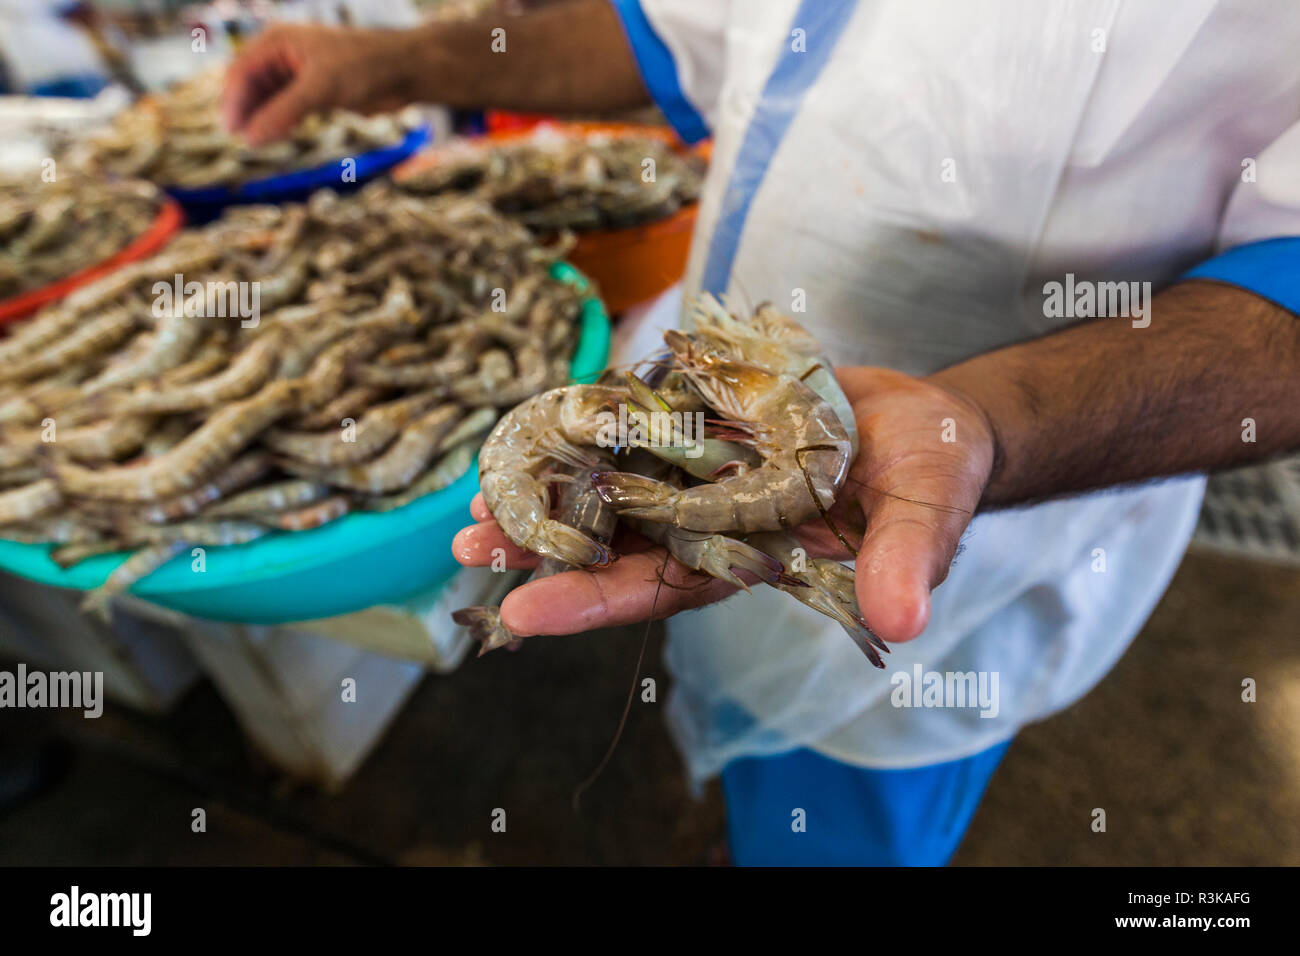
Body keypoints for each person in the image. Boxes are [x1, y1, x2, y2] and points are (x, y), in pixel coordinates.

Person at [224, 0, 1300, 865]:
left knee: (846, 814)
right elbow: (673, 31)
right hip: (732, 438)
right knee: (736, 737)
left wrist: (987, 423)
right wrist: (385, 62)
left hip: (957, 552)